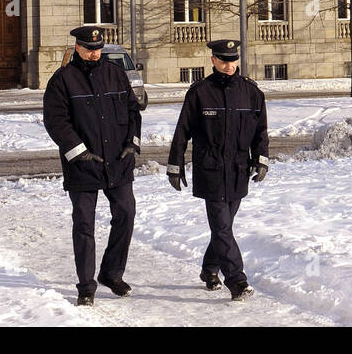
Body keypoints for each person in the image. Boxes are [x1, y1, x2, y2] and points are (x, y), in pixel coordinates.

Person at [43, 25, 142, 306]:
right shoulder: (63, 80)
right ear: (77, 47)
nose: (94, 54)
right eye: (89, 49)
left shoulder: (115, 74)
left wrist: (132, 142)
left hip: (118, 161)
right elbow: (56, 121)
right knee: (84, 223)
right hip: (83, 165)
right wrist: (79, 151)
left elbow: (133, 110)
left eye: (98, 49)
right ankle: (86, 285)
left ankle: (111, 273)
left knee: (126, 213)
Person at [167, 39, 269, 301]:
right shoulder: (200, 92)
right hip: (210, 170)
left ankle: (210, 269)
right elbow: (182, 131)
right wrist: (174, 166)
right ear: (212, 60)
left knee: (224, 226)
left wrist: (262, 160)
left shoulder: (251, 92)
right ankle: (237, 280)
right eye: (223, 60)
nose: (229, 65)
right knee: (222, 228)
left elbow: (261, 132)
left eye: (233, 60)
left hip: (238, 171)